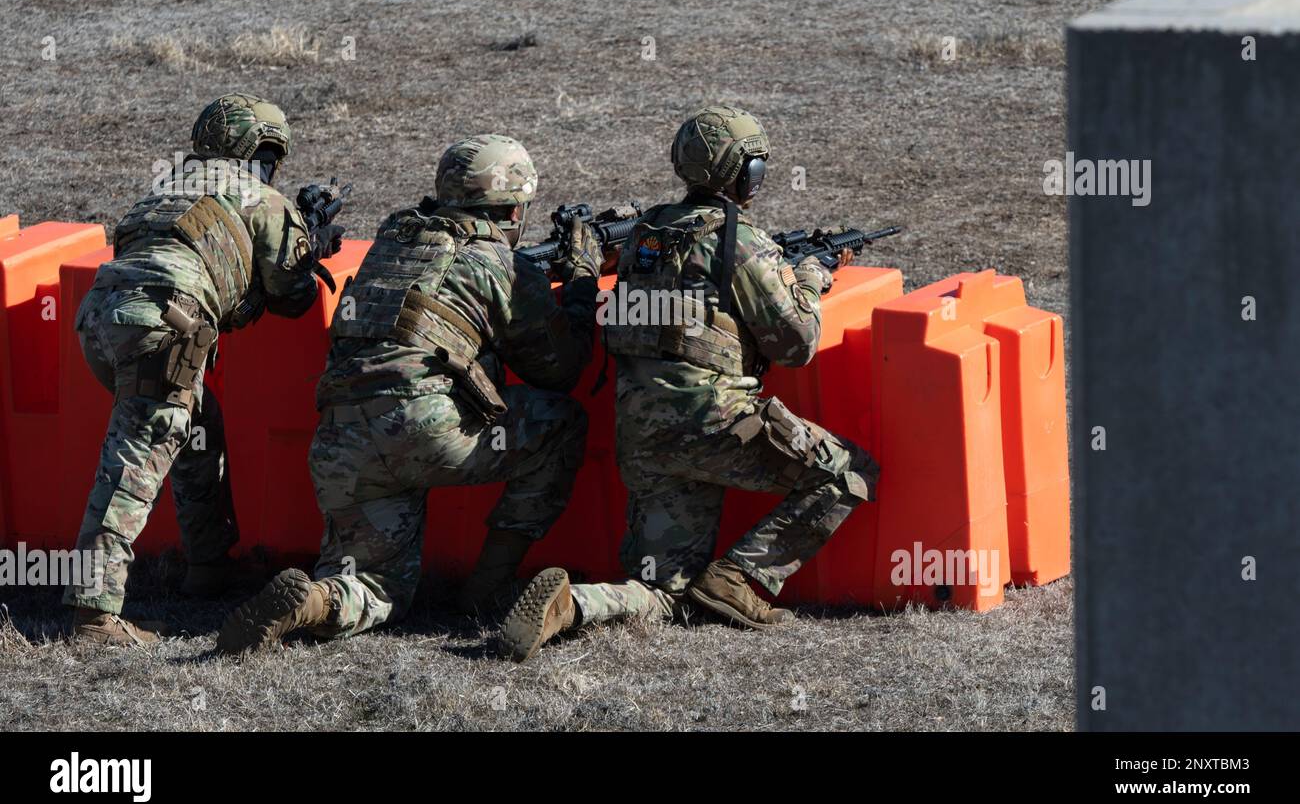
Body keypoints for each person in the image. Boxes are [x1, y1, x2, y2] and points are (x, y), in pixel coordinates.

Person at [500, 106, 879, 662]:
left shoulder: (644, 233)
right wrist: (812, 277)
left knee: (664, 590)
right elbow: (796, 344)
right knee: (849, 474)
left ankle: (574, 606)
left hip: (644, 435)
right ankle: (740, 577)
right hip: (720, 426)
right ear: (743, 173)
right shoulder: (740, 239)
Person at [216, 134, 602, 655]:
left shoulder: (390, 240)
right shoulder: (502, 266)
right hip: (429, 433)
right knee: (561, 422)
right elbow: (559, 369)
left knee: (377, 587)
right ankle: (487, 589)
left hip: (341, 438)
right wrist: (580, 282)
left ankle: (310, 601)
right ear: (513, 207)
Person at [67, 93, 343, 646]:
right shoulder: (263, 199)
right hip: (162, 321)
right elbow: (290, 301)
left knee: (197, 427)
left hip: (98, 319)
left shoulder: (166, 190)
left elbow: (219, 285)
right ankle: (92, 612)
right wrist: (307, 250)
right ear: (257, 150)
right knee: (135, 460)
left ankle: (208, 567)